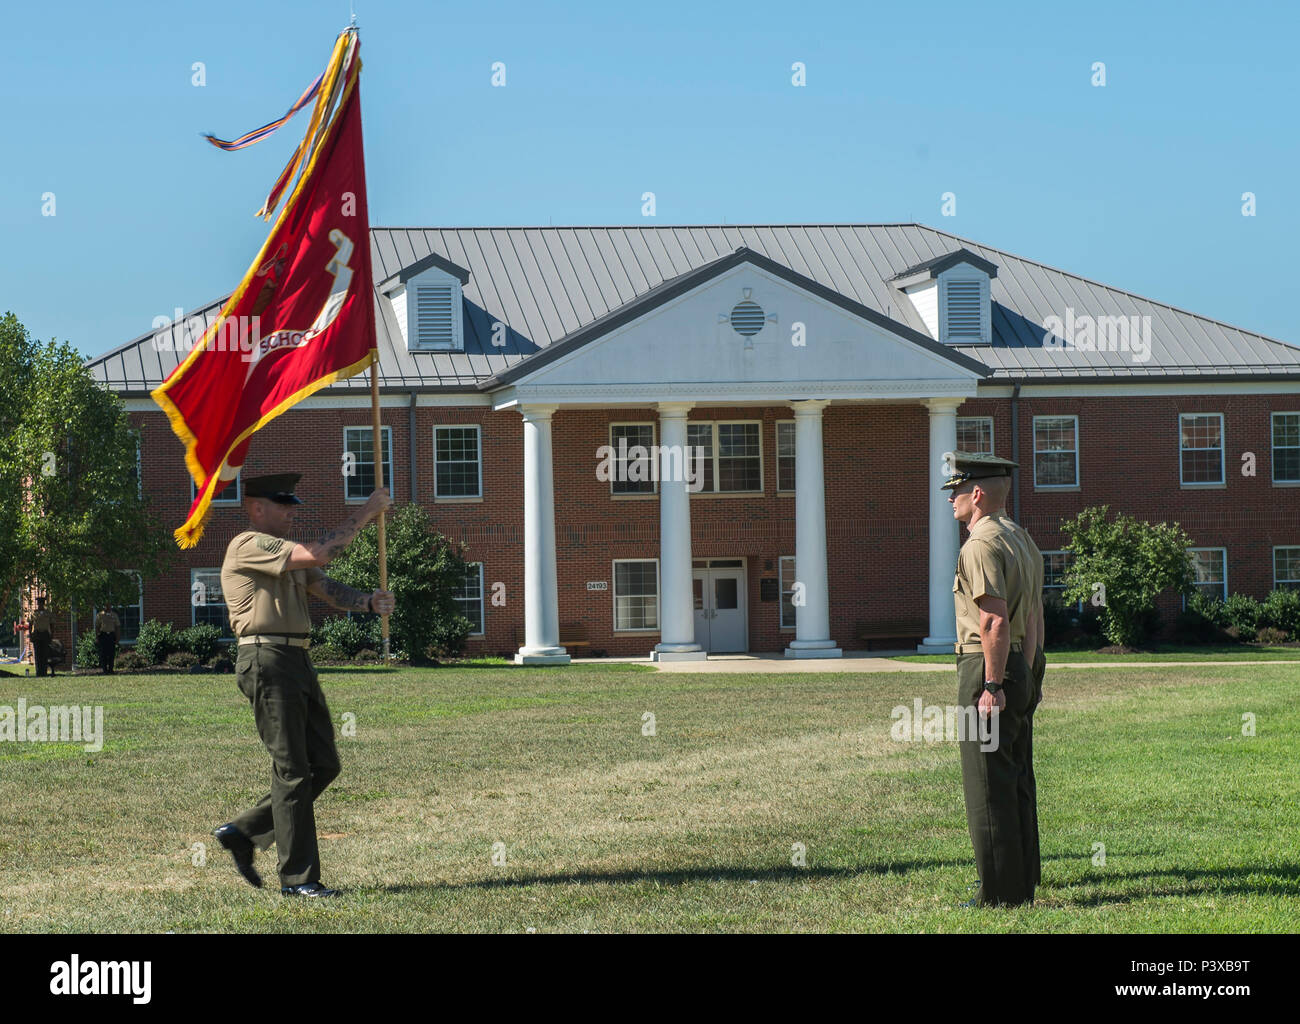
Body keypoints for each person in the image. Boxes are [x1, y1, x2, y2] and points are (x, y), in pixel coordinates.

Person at [212, 473, 394, 898]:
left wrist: (367, 601)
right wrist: (366, 513)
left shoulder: (285, 557)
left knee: (324, 763)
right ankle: (299, 880)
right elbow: (318, 555)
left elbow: (325, 587)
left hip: (296, 659)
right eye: (283, 505)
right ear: (257, 508)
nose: (292, 512)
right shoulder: (248, 544)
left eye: (293, 505)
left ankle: (245, 830)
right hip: (267, 658)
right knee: (293, 770)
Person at [942, 451, 1036, 907]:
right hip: (1020, 662)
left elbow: (993, 620)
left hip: (986, 665)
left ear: (976, 493)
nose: (951, 501)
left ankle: (999, 893)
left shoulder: (979, 545)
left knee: (986, 781)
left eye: (956, 492)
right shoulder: (1021, 538)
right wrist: (1026, 674)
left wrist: (993, 686)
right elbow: (1032, 616)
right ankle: (1022, 879)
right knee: (1016, 774)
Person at [30, 597, 54, 678]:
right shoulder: (34, 613)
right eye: (39, 603)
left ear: (43, 604)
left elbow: (52, 624)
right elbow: (30, 624)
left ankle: (44, 672)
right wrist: (31, 635)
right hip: (37, 634)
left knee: (44, 654)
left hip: (45, 634)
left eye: (41, 603)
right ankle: (38, 672)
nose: (40, 605)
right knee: (37, 655)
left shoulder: (48, 613)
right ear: (37, 604)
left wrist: (51, 635)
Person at [95, 607, 121, 674]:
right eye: (106, 605)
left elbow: (117, 627)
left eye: (108, 605)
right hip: (103, 635)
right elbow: (97, 627)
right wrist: (97, 637)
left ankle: (111, 670)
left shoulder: (114, 615)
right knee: (103, 654)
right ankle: (105, 670)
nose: (107, 606)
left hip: (111, 635)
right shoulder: (100, 615)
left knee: (111, 654)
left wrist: (117, 638)